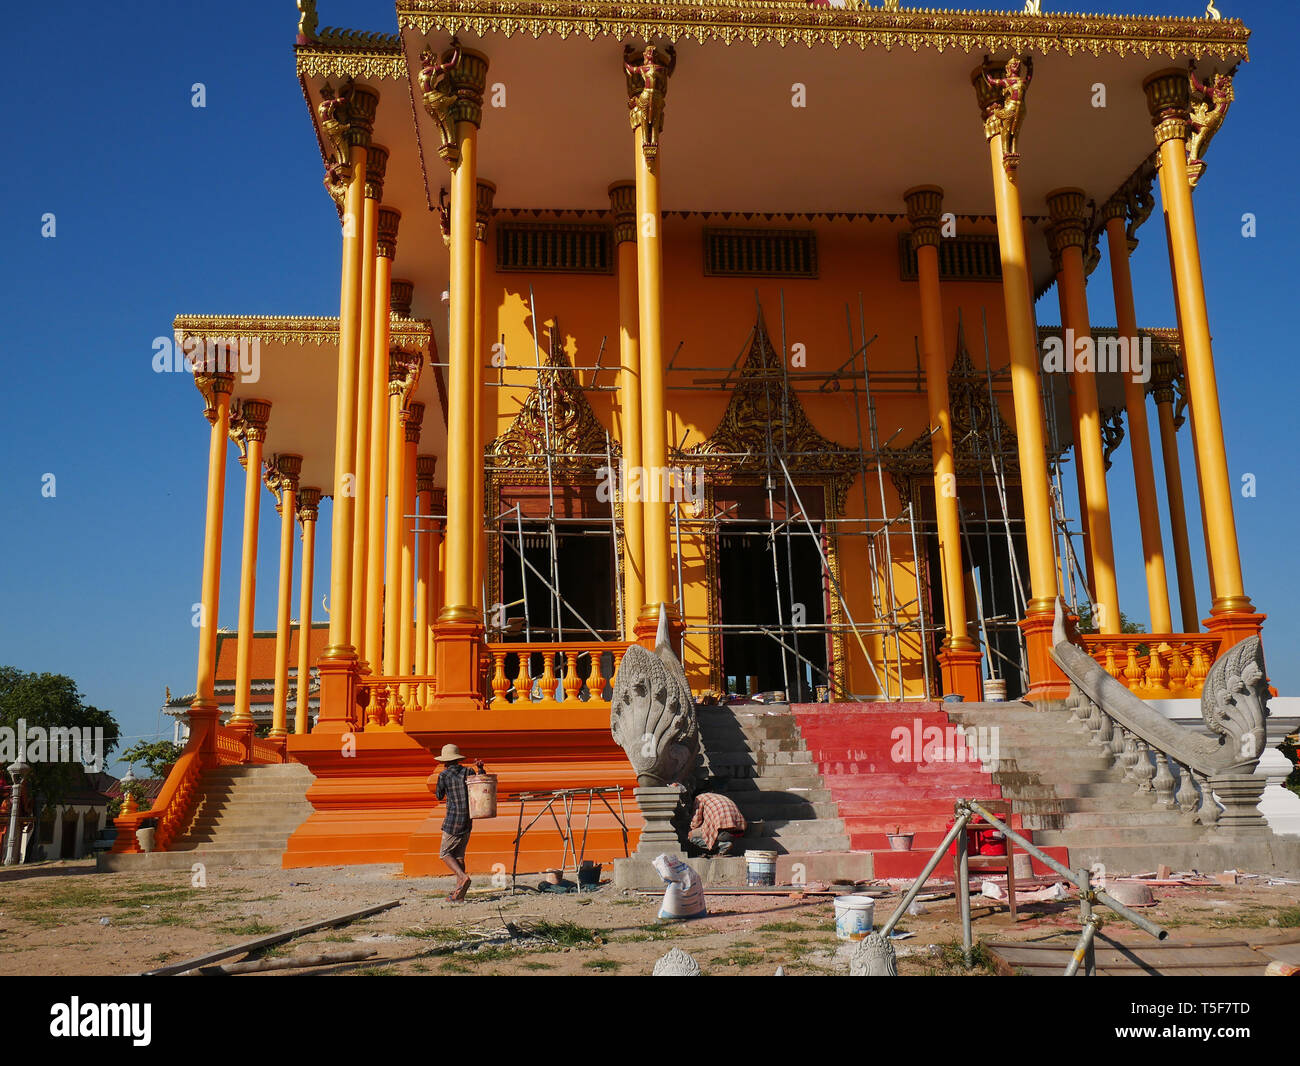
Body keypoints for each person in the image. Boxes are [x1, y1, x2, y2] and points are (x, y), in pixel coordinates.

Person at [433, 743, 484, 901]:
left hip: (453, 820)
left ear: (445, 762)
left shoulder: (444, 775)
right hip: (468, 818)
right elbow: (481, 783)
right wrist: (481, 769)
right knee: (459, 855)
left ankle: (462, 877)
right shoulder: (468, 771)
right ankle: (459, 893)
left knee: (445, 853)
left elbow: (439, 796)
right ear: (458, 759)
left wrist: (443, 777)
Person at [687, 790, 746, 857]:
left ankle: (722, 844)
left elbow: (696, 821)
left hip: (722, 830)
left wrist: (690, 830)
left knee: (691, 836)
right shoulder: (718, 797)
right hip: (738, 829)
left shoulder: (699, 798)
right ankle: (722, 844)